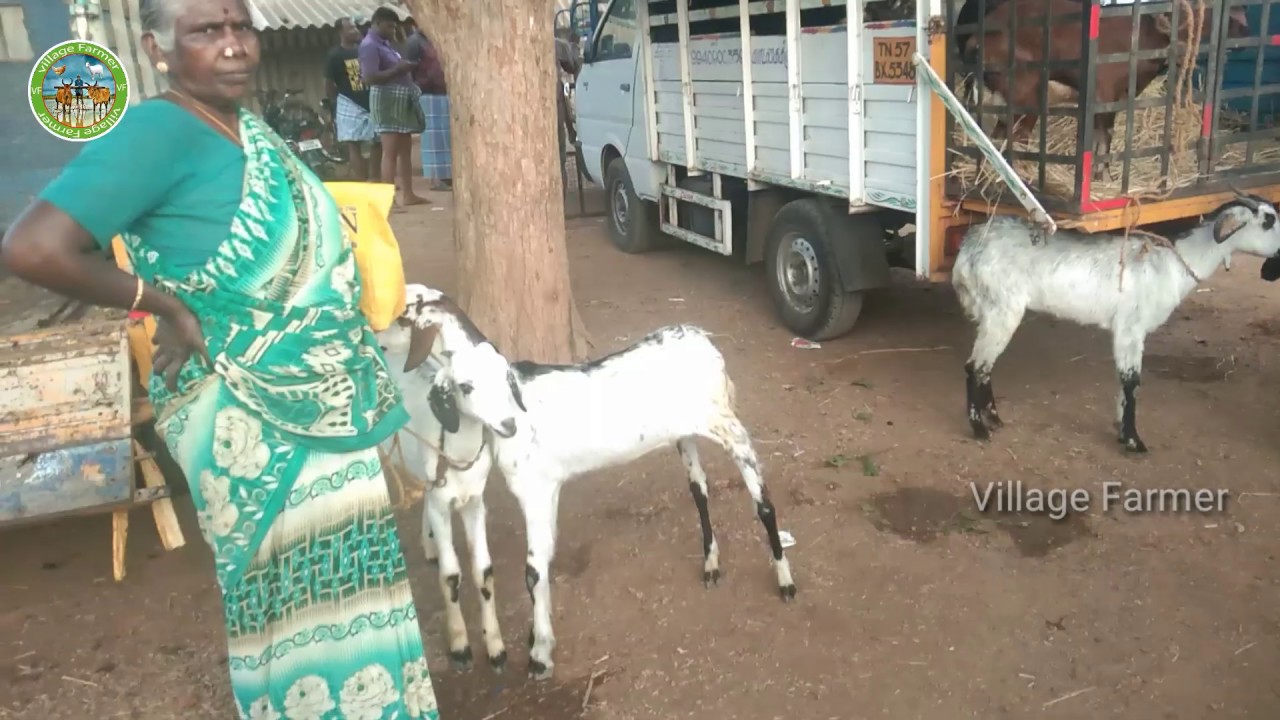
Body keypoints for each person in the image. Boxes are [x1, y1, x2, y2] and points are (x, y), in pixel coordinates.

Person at [0, 1, 441, 718]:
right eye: (208, 31)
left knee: (357, 598)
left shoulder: (247, 130)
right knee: (293, 619)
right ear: (157, 48)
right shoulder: (156, 132)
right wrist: (163, 303)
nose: (234, 47)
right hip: (251, 418)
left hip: (327, 409)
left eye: (242, 29)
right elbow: (33, 247)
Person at [360, 7, 428, 208]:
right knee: (389, 152)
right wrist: (399, 69)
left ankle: (408, 194)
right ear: (377, 23)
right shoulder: (369, 45)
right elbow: (369, 78)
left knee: (405, 150)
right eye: (389, 26)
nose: (392, 30)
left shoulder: (385, 44)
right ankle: (389, 201)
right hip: (386, 100)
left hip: (400, 98)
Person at [325, 15, 382, 181]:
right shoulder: (335, 55)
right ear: (340, 32)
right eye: (350, 28)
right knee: (353, 144)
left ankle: (376, 179)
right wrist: (333, 103)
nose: (355, 30)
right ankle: (362, 182)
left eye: (355, 27)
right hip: (349, 102)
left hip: (372, 100)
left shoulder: (365, 49)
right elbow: (328, 83)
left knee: (378, 141)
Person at [403, 19, 451, 192]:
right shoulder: (415, 42)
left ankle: (446, 175)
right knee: (432, 140)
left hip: (442, 93)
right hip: (426, 94)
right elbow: (408, 70)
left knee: (445, 138)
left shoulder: (436, 38)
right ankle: (434, 179)